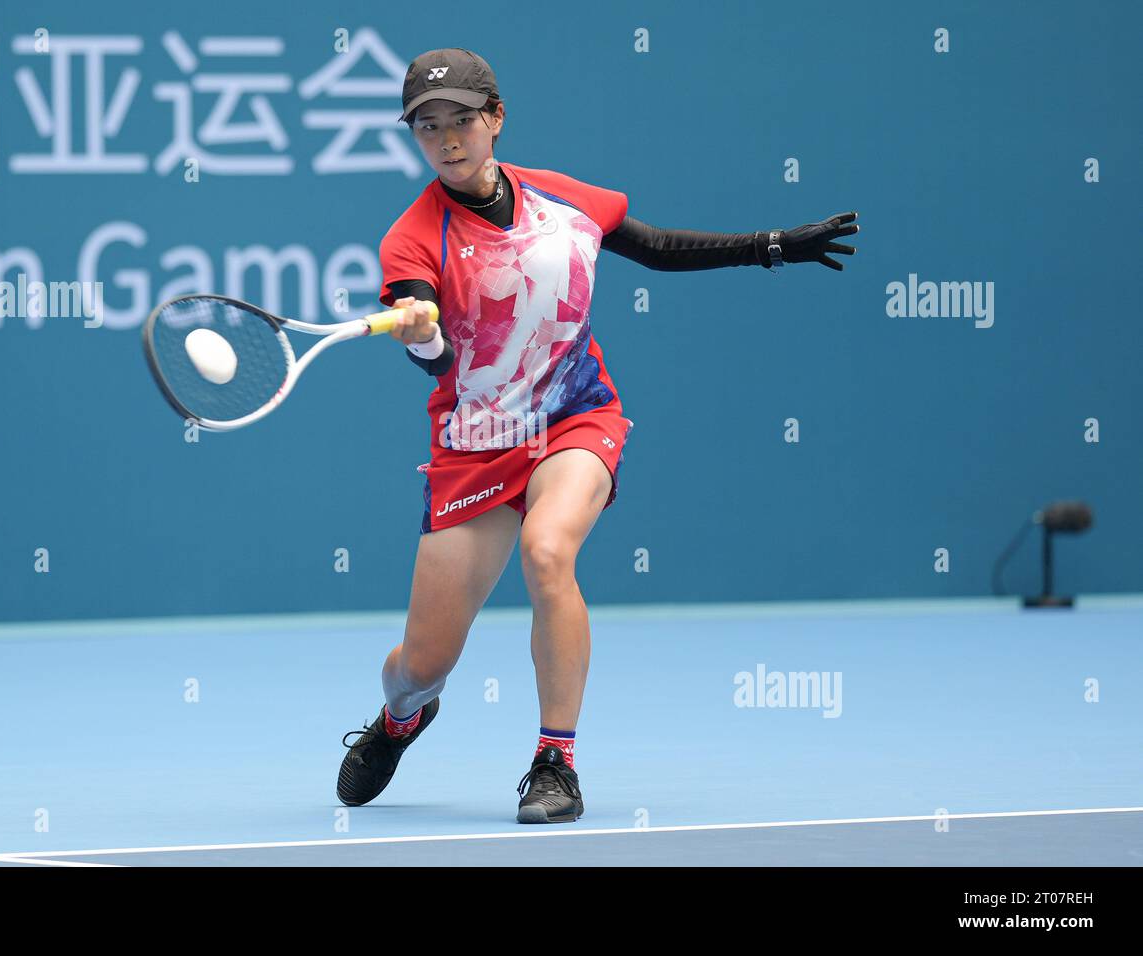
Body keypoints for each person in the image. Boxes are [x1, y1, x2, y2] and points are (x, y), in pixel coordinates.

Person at [337, 48, 859, 824]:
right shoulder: (413, 240)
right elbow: (438, 357)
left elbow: (651, 245)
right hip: (476, 443)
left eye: (461, 120)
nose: (446, 139)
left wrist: (768, 245)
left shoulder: (561, 198)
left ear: (496, 118)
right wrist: (420, 331)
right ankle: (403, 716)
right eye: (427, 127)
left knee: (549, 553)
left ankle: (556, 762)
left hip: (576, 417)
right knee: (422, 663)